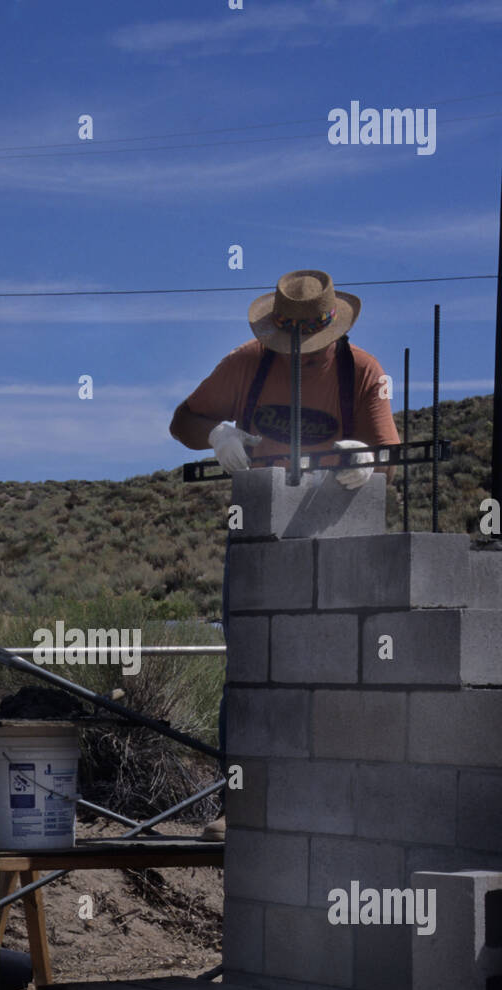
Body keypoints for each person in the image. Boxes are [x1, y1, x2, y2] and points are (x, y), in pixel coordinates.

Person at [169, 269, 400, 839]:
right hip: (257, 533)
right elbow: (182, 422)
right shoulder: (247, 362)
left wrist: (364, 461)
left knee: (338, 664)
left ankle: (335, 800)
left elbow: (388, 449)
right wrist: (217, 434)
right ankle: (239, 803)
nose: (299, 352)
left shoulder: (362, 371)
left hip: (336, 536)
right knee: (249, 665)